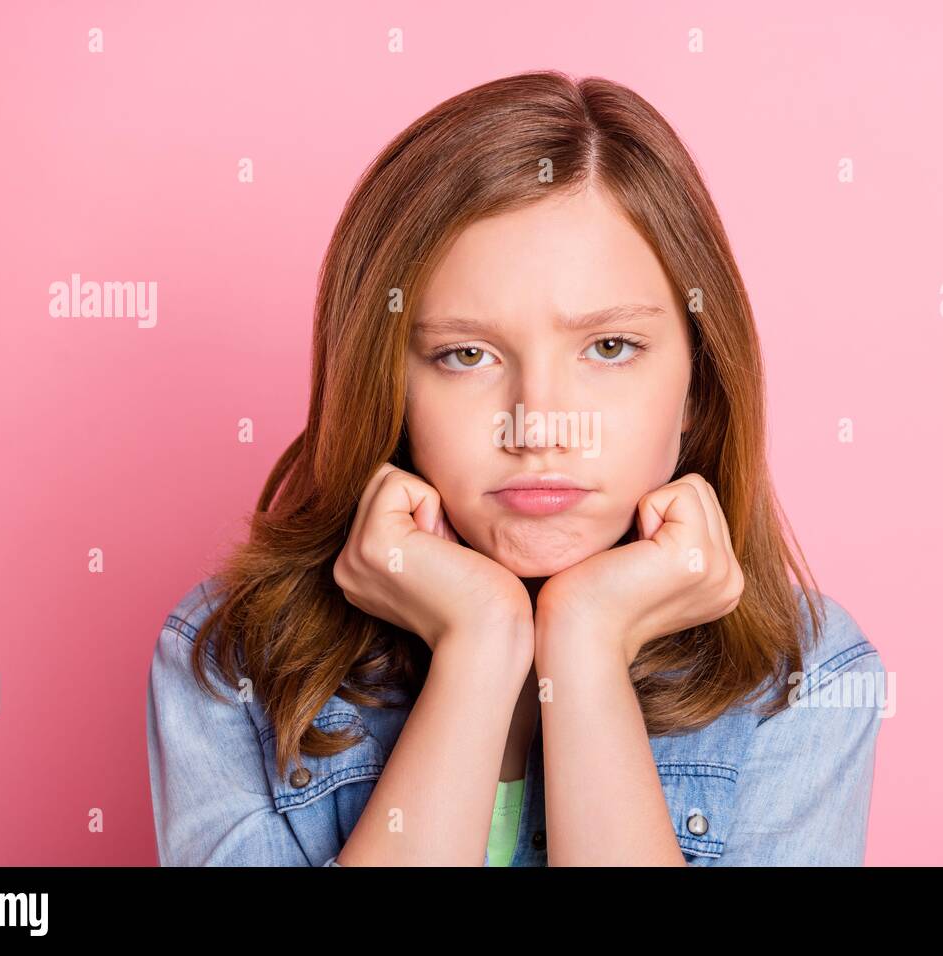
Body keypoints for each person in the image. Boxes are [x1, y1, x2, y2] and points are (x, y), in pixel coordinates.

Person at [146, 69, 887, 866]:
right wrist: (480, 644)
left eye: (609, 348)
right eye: (466, 354)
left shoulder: (809, 682)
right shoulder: (232, 663)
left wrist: (586, 644)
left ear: (697, 386)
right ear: (389, 386)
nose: (539, 425)